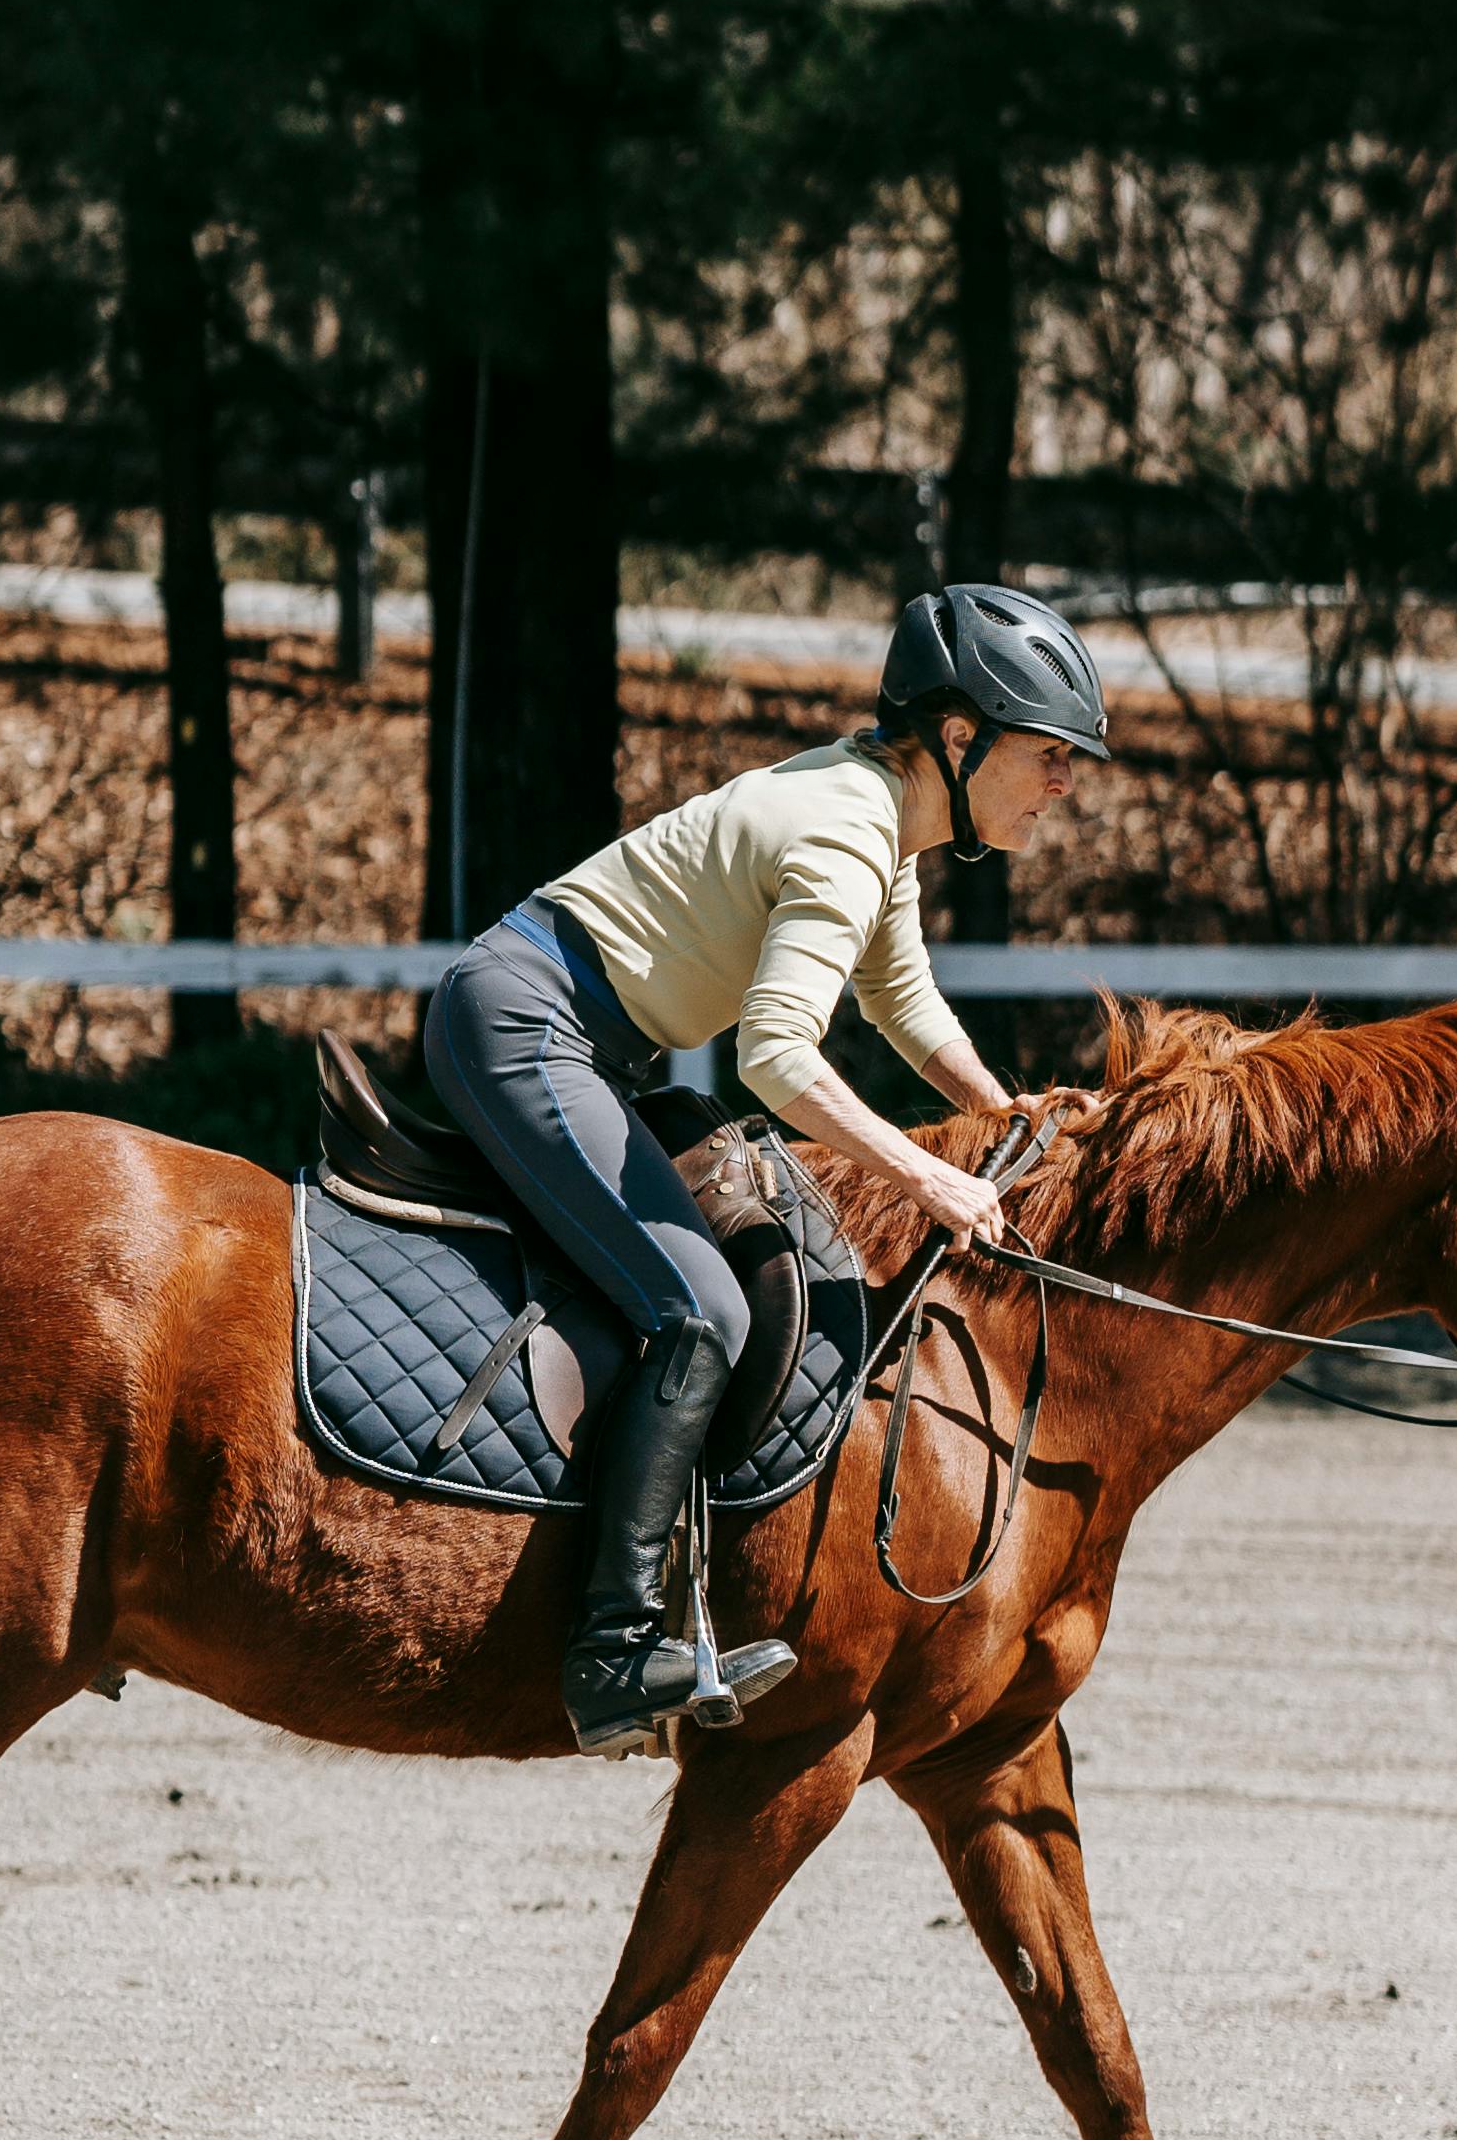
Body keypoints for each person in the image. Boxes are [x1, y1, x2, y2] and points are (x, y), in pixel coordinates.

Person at [420, 580, 1111, 1754]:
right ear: (960, 737)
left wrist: (1002, 1114)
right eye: (1047, 754)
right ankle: (611, 1646)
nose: (1061, 783)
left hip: (579, 1035)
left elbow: (900, 1002)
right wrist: (932, 1179)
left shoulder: (878, 816)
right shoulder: (849, 828)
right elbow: (776, 1061)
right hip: (527, 1026)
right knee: (697, 1310)